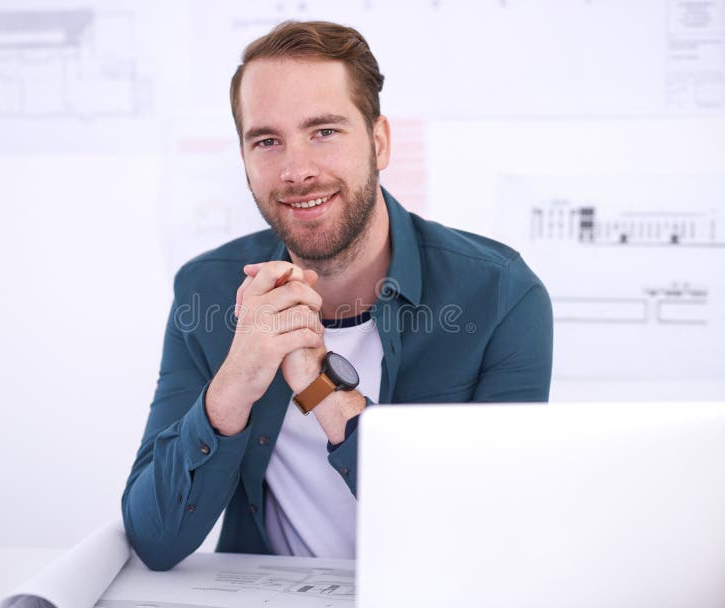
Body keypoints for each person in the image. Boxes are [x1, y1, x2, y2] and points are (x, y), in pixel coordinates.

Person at [122, 20, 553, 571]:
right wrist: (234, 385)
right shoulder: (206, 290)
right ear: (245, 160)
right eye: (267, 141)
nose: (297, 170)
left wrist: (321, 387)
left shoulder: (502, 295)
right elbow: (154, 539)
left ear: (379, 142)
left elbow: (485, 537)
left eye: (324, 131)